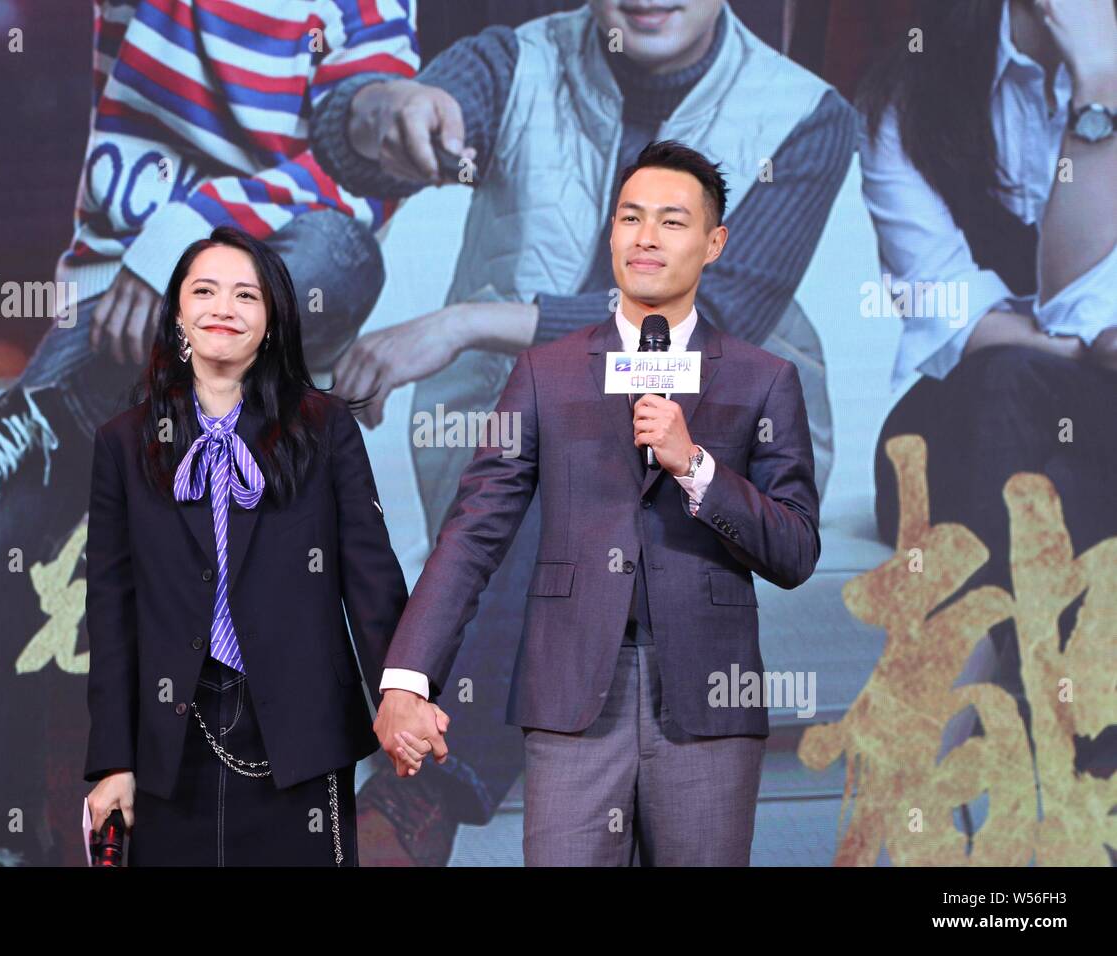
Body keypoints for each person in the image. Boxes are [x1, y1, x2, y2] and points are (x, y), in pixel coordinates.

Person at [309, 0, 855, 864]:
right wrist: (382, 110)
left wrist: (461, 323)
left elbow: (712, 317)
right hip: (504, 429)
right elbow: (372, 134)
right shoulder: (513, 62)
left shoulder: (806, 115)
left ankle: (424, 796)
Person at [0, 0, 419, 865]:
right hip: (119, 289)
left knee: (346, 255)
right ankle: (14, 837)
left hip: (264, 274)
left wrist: (184, 243)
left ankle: (50, 416)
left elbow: (355, 180)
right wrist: (150, 257)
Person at [375, 142, 821, 865]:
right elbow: (473, 535)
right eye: (630, 218)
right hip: (573, 695)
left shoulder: (762, 378)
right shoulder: (545, 372)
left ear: (714, 244)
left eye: (671, 221)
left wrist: (697, 465)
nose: (645, 237)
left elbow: (796, 548)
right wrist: (407, 677)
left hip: (707, 699)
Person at [82, 226, 419, 866]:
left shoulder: (324, 427)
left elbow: (371, 577)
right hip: (171, 736)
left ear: (271, 321)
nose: (223, 309)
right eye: (204, 291)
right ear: (177, 314)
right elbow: (111, 612)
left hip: (298, 733)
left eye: (246, 295)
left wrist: (401, 696)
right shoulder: (123, 443)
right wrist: (113, 762)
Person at [857, 0, 1116, 765]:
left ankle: (913, 772)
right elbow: (954, 319)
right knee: (1009, 385)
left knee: (1060, 478)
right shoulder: (917, 88)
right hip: (955, 426)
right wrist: (1099, 92)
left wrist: (1099, 81)